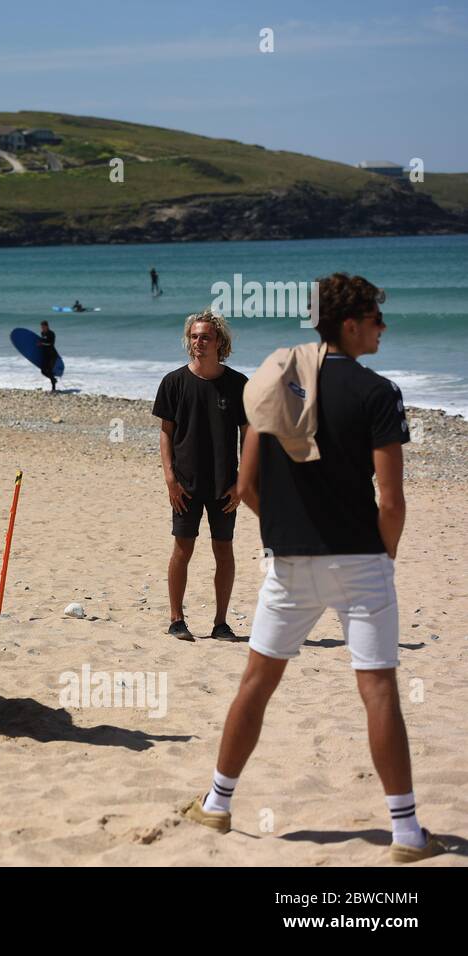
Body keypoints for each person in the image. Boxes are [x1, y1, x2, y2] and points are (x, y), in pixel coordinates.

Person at [183, 273, 445, 863]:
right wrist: (383, 559)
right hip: (359, 559)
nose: (383, 326)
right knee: (377, 688)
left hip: (290, 562)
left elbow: (244, 487)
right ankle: (405, 834)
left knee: (257, 682)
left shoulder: (277, 384)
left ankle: (217, 805)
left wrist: (284, 530)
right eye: (376, 317)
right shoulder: (379, 393)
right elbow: (392, 501)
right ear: (350, 324)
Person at [152, 310, 247, 641]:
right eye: (193, 336)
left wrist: (243, 482)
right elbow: (166, 433)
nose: (198, 342)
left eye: (205, 337)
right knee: (182, 548)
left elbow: (250, 436)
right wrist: (169, 479)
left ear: (219, 341)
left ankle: (221, 623)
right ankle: (176, 619)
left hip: (225, 485)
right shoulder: (174, 382)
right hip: (185, 485)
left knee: (224, 550)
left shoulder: (238, 384)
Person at [38, 320, 59, 392]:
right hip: (45, 354)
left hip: (52, 355)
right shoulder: (42, 333)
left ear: (47, 326)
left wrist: (42, 344)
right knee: (43, 371)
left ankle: (53, 388)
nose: (42, 328)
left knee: (50, 370)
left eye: (43, 327)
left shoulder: (51, 333)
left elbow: (51, 344)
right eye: (41, 327)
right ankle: (53, 379)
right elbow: (42, 342)